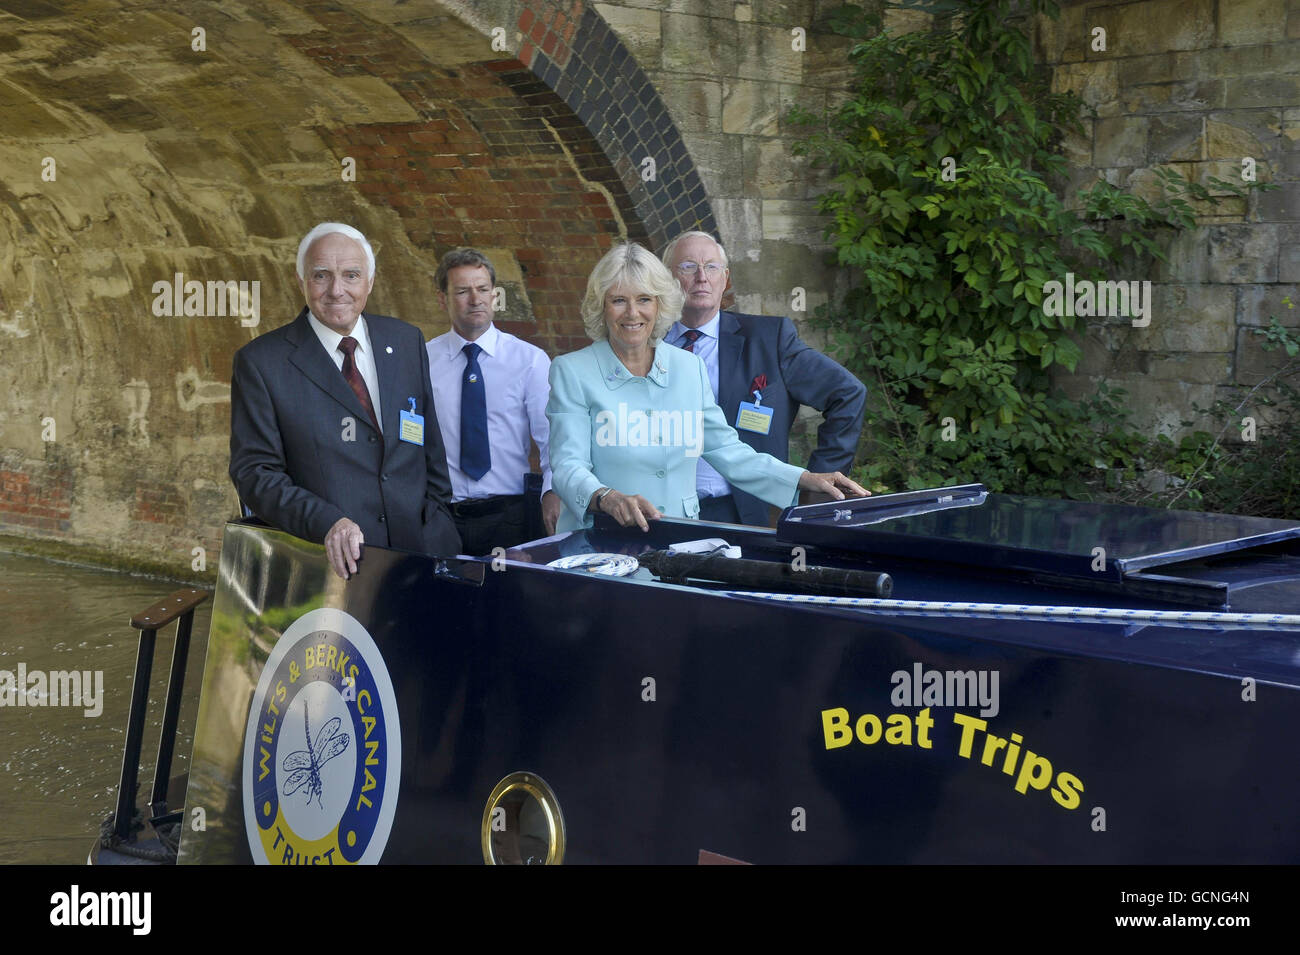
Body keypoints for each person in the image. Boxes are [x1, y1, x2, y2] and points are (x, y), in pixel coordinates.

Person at [546, 242, 866, 533]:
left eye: (644, 299)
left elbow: (728, 450)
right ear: (601, 307)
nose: (633, 313)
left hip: (679, 539)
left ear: (659, 305)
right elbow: (567, 465)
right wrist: (606, 497)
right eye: (618, 300)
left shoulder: (688, 368)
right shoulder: (572, 371)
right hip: (600, 539)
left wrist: (804, 479)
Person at [229, 222, 460, 579]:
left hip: (422, 554)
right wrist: (328, 523)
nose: (337, 290)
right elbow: (256, 474)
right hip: (333, 570)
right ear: (300, 280)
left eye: (351, 275)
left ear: (369, 281)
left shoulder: (405, 341)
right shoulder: (262, 363)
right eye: (321, 275)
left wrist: (438, 516)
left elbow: (427, 441)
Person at [660, 231, 868, 525]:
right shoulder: (649, 344)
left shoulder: (769, 340)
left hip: (740, 511)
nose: (702, 277)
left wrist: (815, 492)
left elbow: (847, 393)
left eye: (712, 267)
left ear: (725, 278)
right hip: (661, 510)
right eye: (689, 266)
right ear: (667, 277)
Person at [426, 248, 561, 555]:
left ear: (494, 294)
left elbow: (553, 439)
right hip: (443, 517)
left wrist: (552, 492)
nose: (475, 300)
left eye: (483, 289)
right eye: (462, 291)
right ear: (442, 299)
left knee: (506, 600)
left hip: (509, 517)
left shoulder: (529, 361)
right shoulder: (423, 359)